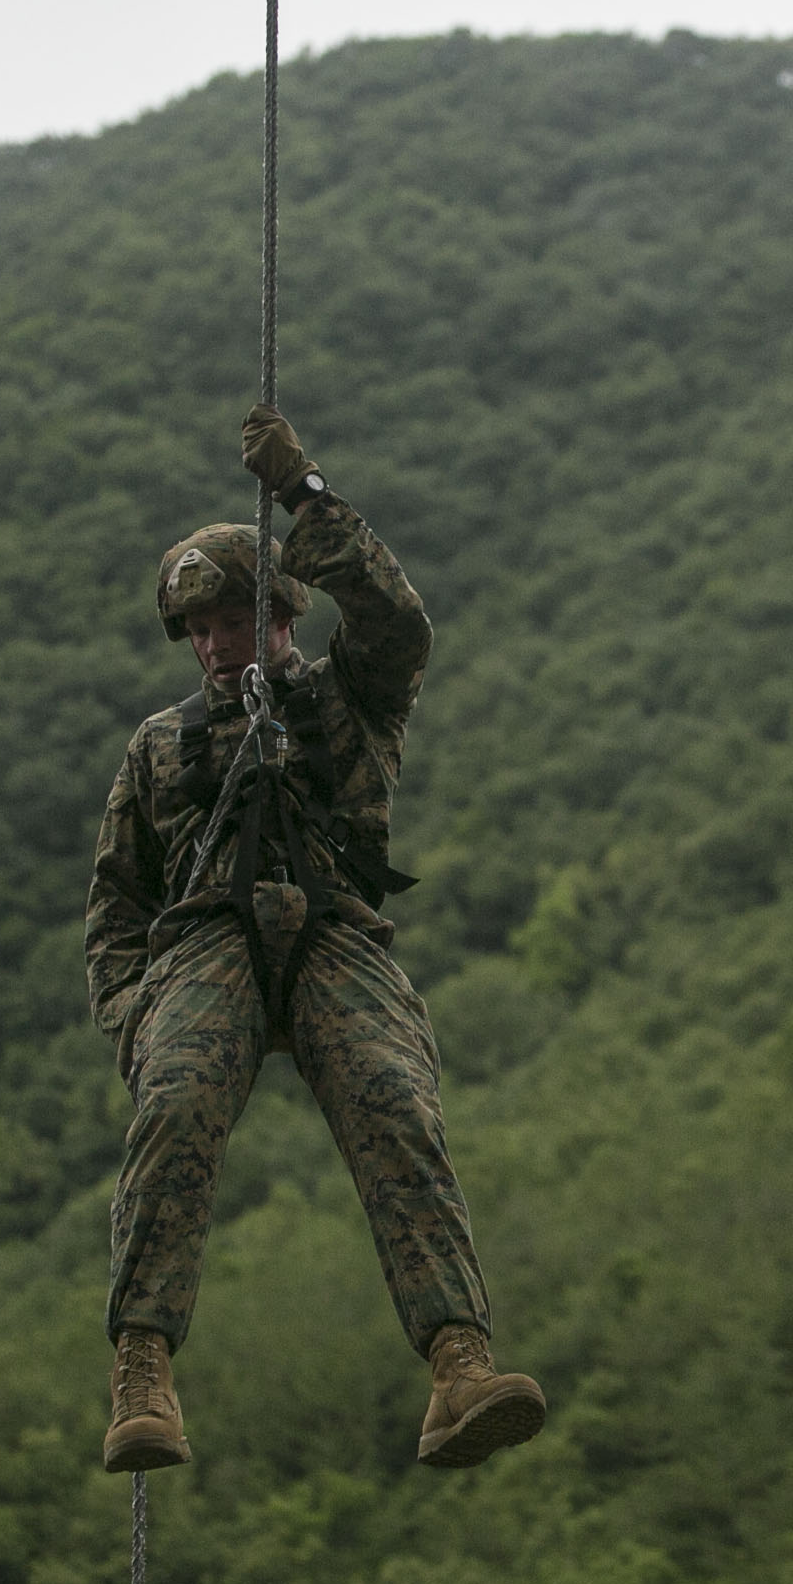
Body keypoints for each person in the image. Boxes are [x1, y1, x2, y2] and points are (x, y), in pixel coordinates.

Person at [84, 405, 544, 1473]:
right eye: (192, 627)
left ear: (276, 609)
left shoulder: (350, 701)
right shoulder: (160, 749)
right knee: (178, 1098)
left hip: (336, 927)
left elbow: (399, 620)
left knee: (395, 1097)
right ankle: (142, 1368)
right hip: (205, 944)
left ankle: (458, 1363)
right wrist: (133, 1016)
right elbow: (116, 905)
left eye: (225, 618)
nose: (208, 641)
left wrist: (306, 495)